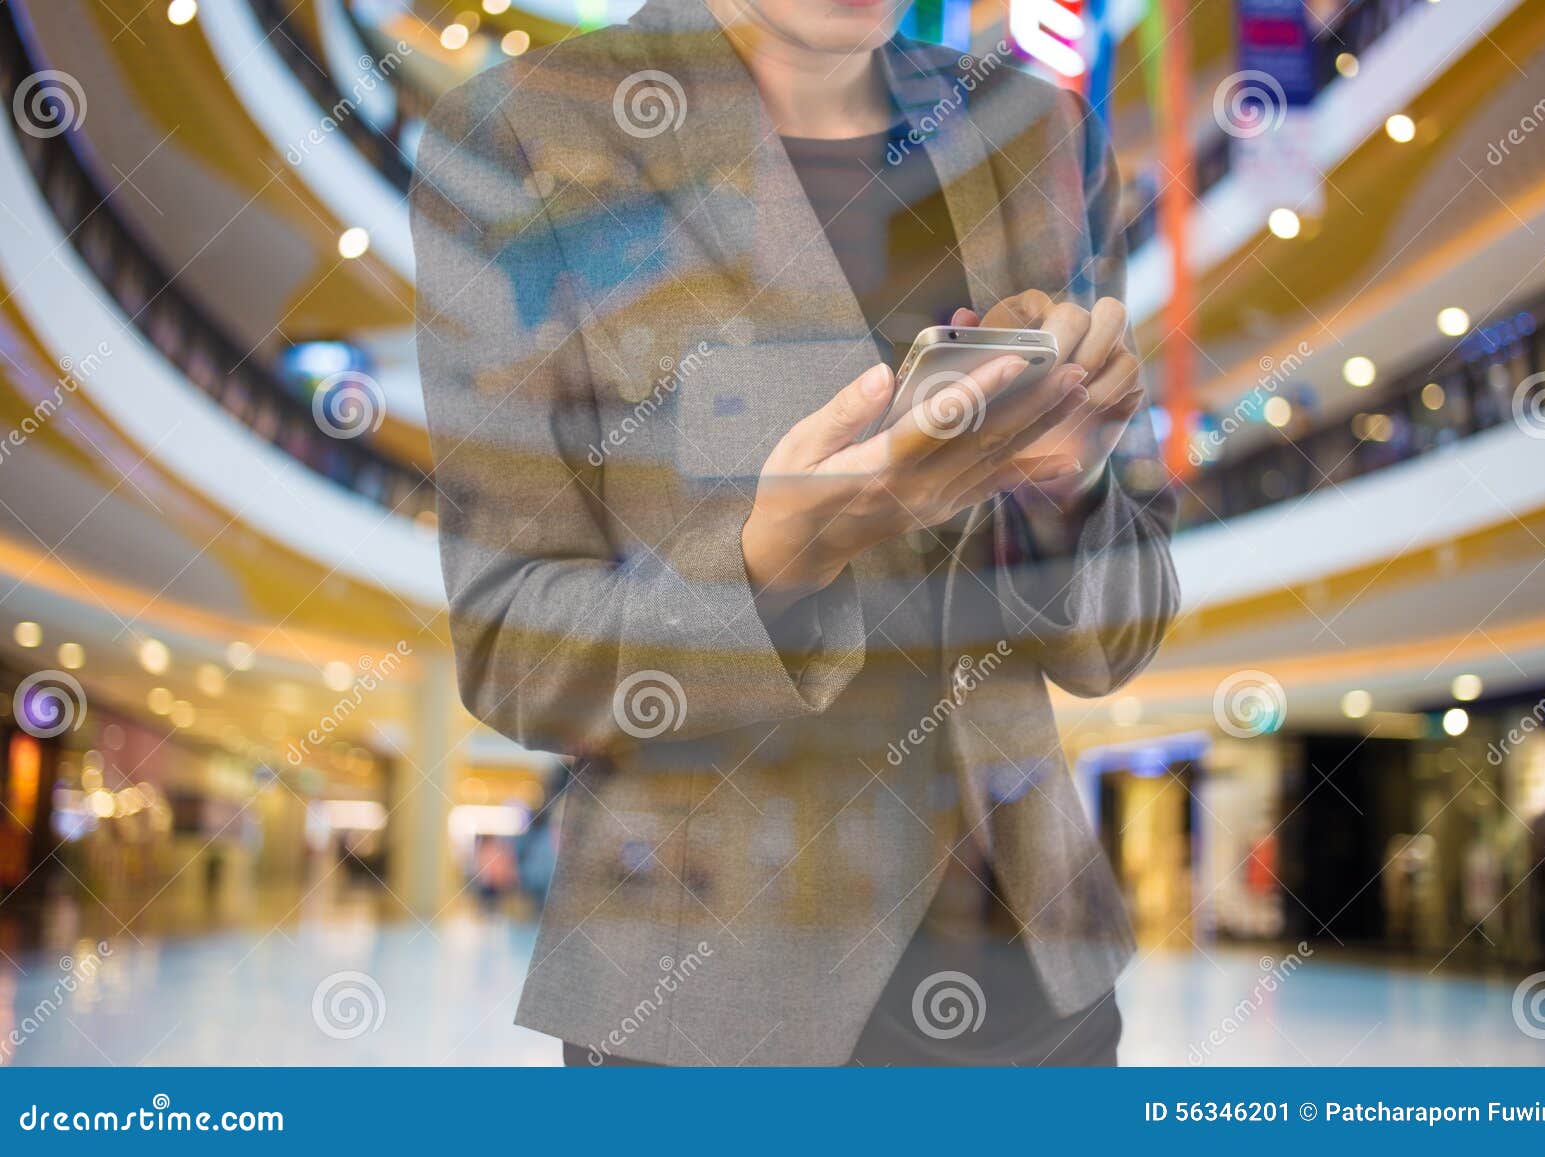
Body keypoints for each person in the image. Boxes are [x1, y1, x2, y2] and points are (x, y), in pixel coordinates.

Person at [411, 0, 1178, 1066]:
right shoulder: (523, 134)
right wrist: (774, 562)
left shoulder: (1033, 127)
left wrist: (1074, 490)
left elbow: (1113, 641)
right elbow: (513, 648)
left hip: (1033, 983)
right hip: (705, 1000)